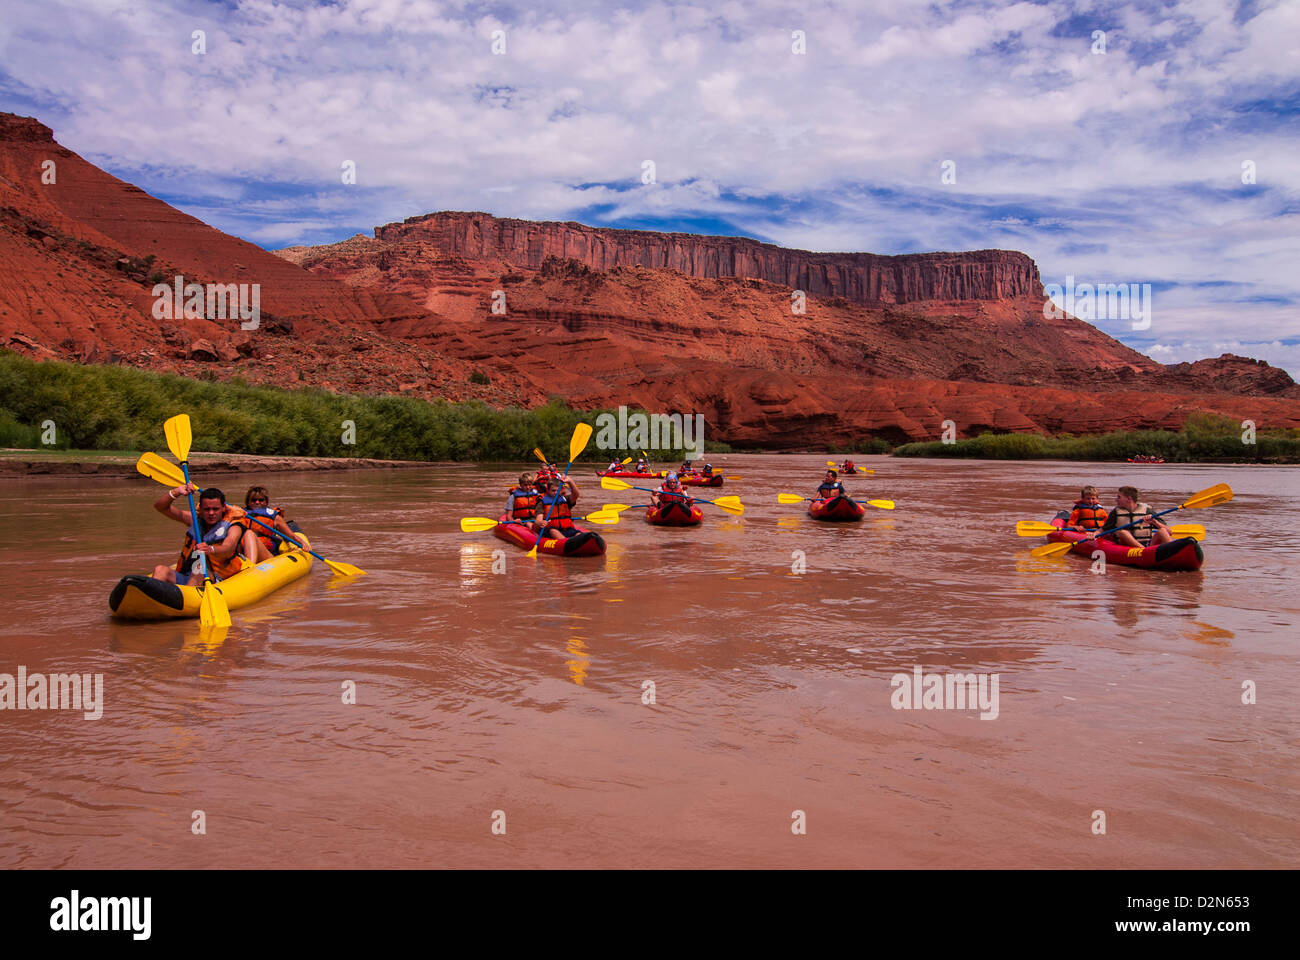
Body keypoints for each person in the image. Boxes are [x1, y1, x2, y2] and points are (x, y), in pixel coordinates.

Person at [152, 484, 258, 585]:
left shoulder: (234, 525)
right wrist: (177, 491)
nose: (211, 513)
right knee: (160, 570)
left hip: (215, 577)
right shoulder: (194, 519)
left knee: (199, 569)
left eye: (215, 509)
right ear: (201, 509)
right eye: (207, 509)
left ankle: (186, 599)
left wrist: (210, 549)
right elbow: (161, 507)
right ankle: (152, 600)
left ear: (223, 508)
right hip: (187, 575)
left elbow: (228, 547)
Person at [243, 485, 304, 562]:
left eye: (261, 500)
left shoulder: (274, 517)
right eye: (253, 500)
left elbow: (291, 535)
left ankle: (250, 566)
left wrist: (303, 544)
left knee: (249, 534)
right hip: (243, 550)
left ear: (266, 502)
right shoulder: (240, 514)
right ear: (248, 502)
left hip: (265, 551)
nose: (257, 502)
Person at [1100, 486, 1173, 548]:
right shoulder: (1116, 512)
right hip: (1127, 547)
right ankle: (1143, 551)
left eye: (1119, 497)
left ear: (1129, 499)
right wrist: (1093, 534)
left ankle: (1174, 551)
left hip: (1147, 544)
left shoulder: (1147, 510)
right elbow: (1103, 529)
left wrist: (1155, 522)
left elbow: (1169, 532)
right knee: (1123, 532)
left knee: (1162, 531)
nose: (1116, 500)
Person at [534, 475, 581, 539]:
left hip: (567, 529)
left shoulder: (565, 499)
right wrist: (541, 522)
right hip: (550, 530)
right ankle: (567, 543)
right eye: (553, 490)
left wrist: (570, 482)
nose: (556, 493)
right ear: (548, 490)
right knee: (554, 531)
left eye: (557, 490)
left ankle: (573, 542)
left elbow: (576, 495)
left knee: (578, 534)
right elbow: (538, 520)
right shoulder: (542, 502)